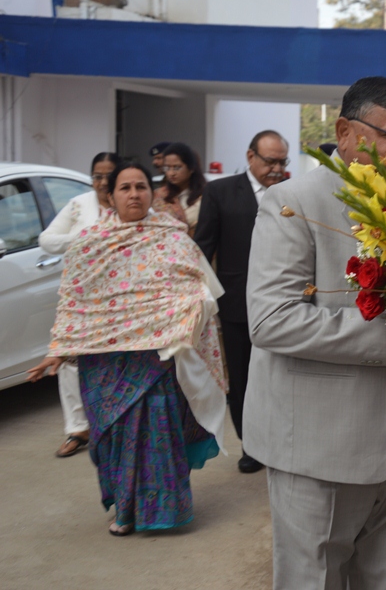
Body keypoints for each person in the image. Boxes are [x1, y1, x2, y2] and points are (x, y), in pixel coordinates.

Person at [244, 76, 386, 590]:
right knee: (314, 579)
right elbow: (270, 319)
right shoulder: (291, 203)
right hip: (322, 444)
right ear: (345, 132)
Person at [27, 161, 226, 536]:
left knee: (157, 434)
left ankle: (159, 510)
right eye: (125, 188)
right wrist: (59, 348)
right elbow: (75, 304)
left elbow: (199, 294)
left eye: (140, 187)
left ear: (151, 194)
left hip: (155, 360)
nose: (134, 194)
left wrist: (184, 319)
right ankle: (125, 507)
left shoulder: (173, 239)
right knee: (115, 435)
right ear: (110, 195)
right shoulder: (88, 244)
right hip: (104, 363)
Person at [193, 130, 289, 474]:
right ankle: (251, 445)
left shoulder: (291, 193)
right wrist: (202, 300)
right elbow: (203, 247)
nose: (277, 168)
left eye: (282, 161)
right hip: (236, 303)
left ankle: (279, 442)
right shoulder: (220, 192)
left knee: (281, 378)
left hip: (286, 302)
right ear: (251, 157)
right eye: (270, 161)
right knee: (244, 379)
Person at [38, 151, 121, 458]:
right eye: (96, 176)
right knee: (70, 360)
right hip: (83, 295)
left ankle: (113, 425)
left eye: (108, 176)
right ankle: (77, 429)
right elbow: (47, 240)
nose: (102, 182)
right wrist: (82, 237)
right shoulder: (79, 205)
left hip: (123, 299)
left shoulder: (131, 200)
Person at [153, 143, 205, 237]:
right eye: (167, 168)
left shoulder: (206, 196)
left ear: (191, 168)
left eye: (177, 167)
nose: (171, 173)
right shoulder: (158, 195)